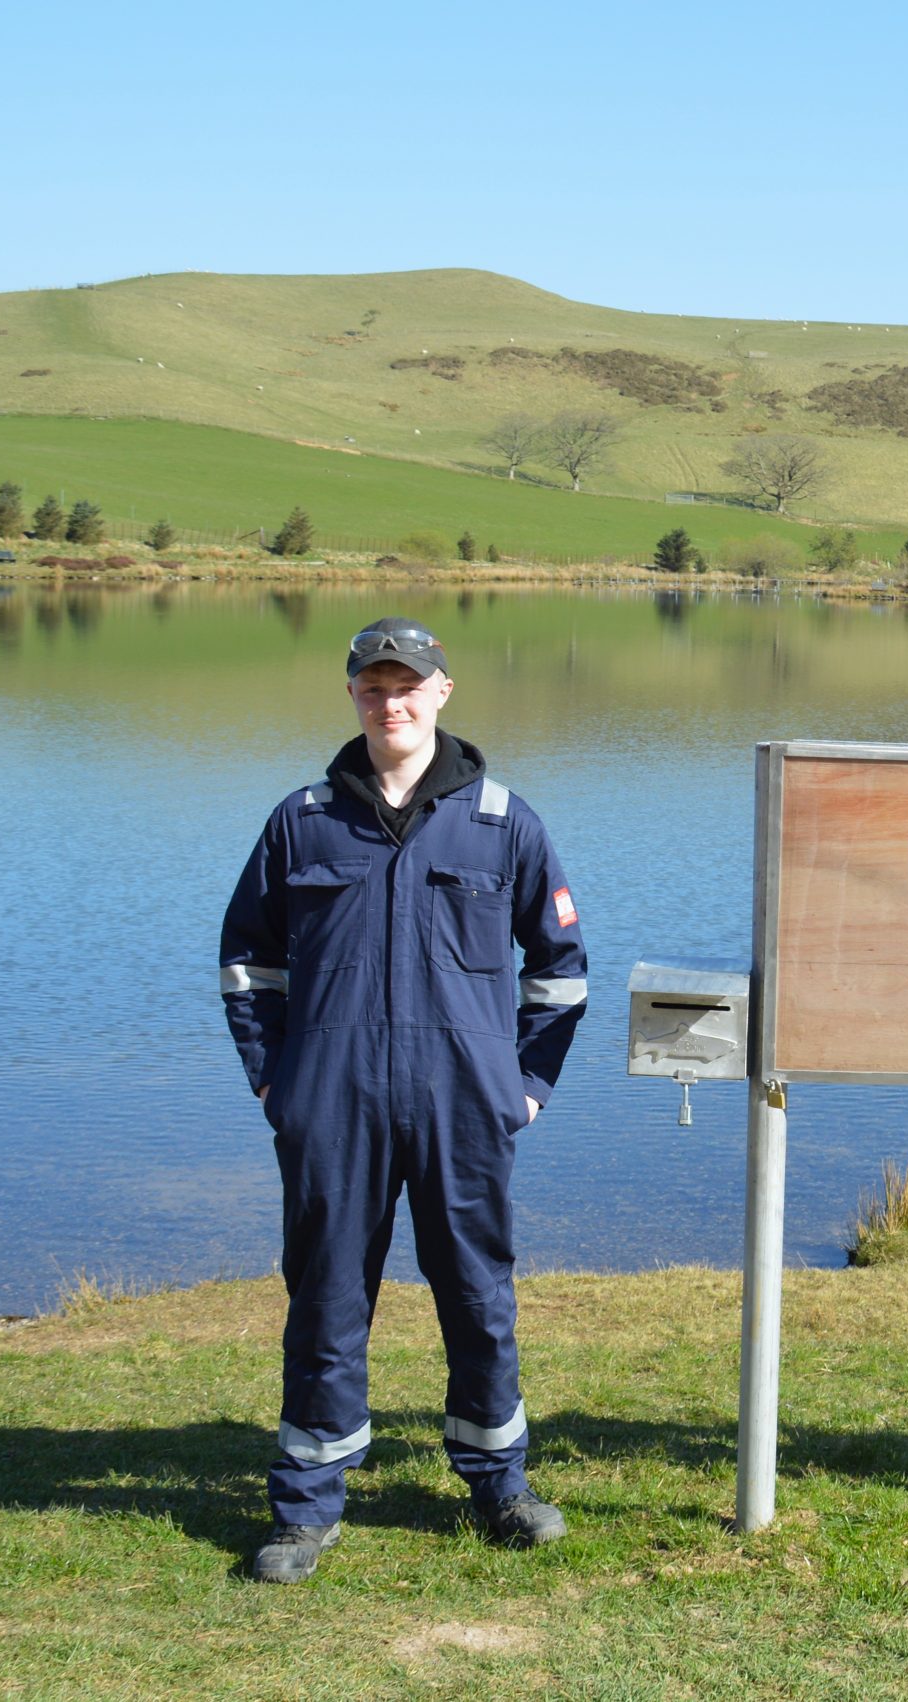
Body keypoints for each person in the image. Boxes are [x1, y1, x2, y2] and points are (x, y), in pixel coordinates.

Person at [220, 616, 589, 1584]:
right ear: (352, 695)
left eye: (408, 683)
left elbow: (559, 974)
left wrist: (528, 1087)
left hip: (465, 1108)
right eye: (374, 684)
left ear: (442, 692)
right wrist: (276, 1080)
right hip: (332, 1107)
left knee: (477, 1294)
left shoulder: (505, 823)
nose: (392, 700)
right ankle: (308, 1504)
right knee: (328, 1297)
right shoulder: (302, 821)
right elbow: (247, 965)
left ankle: (498, 1484)